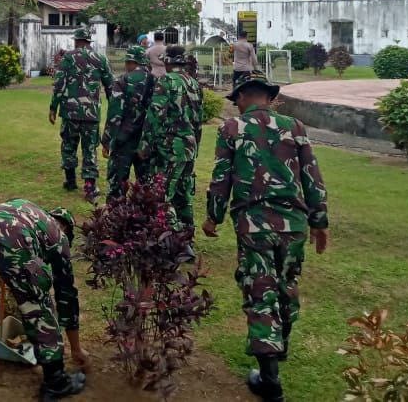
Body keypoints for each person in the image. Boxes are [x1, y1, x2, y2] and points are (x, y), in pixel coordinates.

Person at [202, 71, 329, 402]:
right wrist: (320, 221)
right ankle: (279, 346)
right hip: (294, 225)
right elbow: (313, 177)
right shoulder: (295, 127)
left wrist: (212, 217)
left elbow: (221, 178)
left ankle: (269, 379)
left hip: (254, 223)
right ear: (268, 97)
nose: (236, 106)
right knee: (286, 285)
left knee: (261, 291)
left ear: (244, 97)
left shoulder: (232, 128)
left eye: (236, 101)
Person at [0, 199, 88, 398]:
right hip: (13, 238)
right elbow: (66, 294)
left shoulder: (27, 208)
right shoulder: (58, 236)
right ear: (66, 228)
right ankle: (55, 381)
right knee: (37, 305)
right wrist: (76, 348)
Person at [140, 46, 202, 243]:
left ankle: (175, 240)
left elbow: (155, 115)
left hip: (170, 149)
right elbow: (199, 120)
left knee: (163, 194)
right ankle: (188, 236)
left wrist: (145, 144)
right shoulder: (193, 83)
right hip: (189, 147)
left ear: (167, 62)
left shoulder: (166, 81)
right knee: (183, 195)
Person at [49, 28, 113, 199]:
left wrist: (53, 107)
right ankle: (90, 188)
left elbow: (59, 84)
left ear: (76, 41)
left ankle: (70, 181)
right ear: (88, 41)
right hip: (91, 113)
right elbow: (110, 86)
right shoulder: (100, 59)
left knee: (69, 145)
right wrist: (114, 110)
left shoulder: (68, 57)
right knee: (89, 148)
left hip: (70, 112)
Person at [100, 45, 155, 200]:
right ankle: (143, 220)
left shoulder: (122, 81)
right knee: (145, 186)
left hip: (123, 140)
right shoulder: (156, 81)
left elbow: (114, 115)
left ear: (131, 62)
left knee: (117, 184)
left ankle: (114, 218)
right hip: (146, 141)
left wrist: (106, 140)